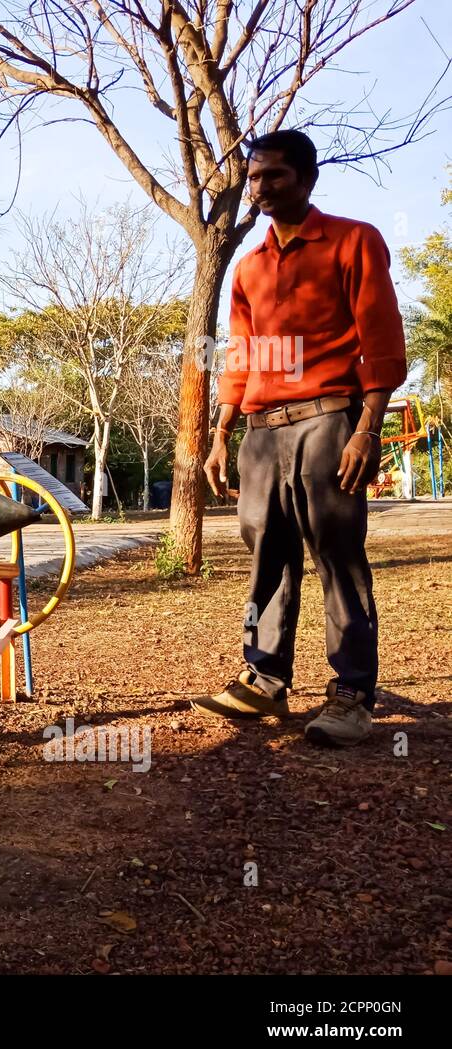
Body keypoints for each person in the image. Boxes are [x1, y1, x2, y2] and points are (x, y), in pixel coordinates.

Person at [191, 129, 407, 747]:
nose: (258, 189)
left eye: (273, 177)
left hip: (329, 421)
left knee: (338, 556)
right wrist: (221, 433)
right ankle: (264, 678)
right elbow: (240, 355)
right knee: (266, 559)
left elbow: (382, 343)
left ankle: (351, 694)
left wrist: (367, 429)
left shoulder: (353, 240)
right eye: (253, 178)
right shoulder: (248, 266)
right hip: (261, 432)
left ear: (306, 180)